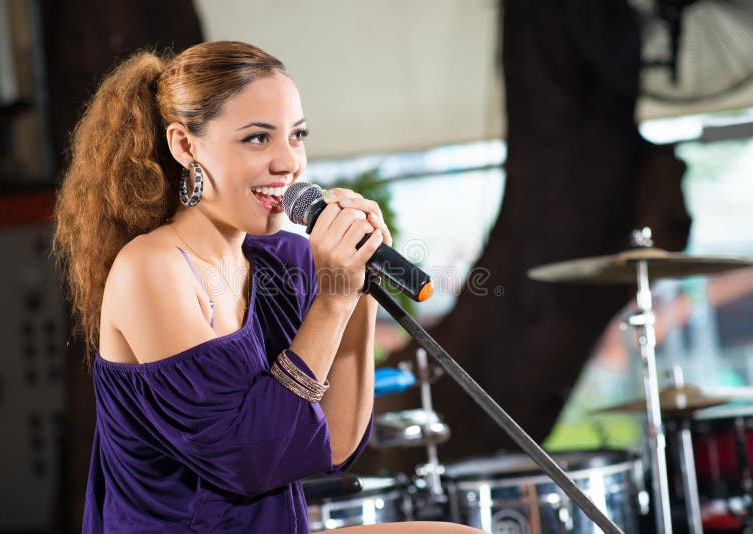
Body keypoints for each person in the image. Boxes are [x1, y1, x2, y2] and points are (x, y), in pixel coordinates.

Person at [53, 41, 482, 533]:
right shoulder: (151, 268)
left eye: (297, 135)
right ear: (185, 146)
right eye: (258, 138)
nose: (288, 163)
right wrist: (332, 302)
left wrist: (358, 285)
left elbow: (334, 445)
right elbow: (250, 461)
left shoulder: (285, 262)